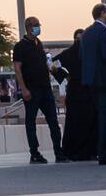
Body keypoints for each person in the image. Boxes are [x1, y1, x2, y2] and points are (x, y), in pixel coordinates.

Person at [12, 16, 66, 164]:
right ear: (29, 27)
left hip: (45, 89)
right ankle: (34, 153)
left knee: (53, 122)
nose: (38, 28)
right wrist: (24, 89)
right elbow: (17, 69)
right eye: (36, 25)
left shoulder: (38, 43)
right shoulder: (20, 46)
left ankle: (58, 152)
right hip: (32, 90)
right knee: (31, 122)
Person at [81, 3, 106, 165]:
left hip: (91, 80)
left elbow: (82, 56)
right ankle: (104, 153)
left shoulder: (87, 32)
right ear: (102, 13)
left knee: (99, 115)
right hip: (104, 80)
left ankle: (101, 151)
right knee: (105, 117)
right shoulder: (104, 31)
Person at [55, 28, 96, 161]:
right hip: (84, 91)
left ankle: (75, 151)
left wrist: (66, 76)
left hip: (77, 91)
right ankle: (86, 151)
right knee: (84, 122)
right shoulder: (87, 53)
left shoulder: (68, 53)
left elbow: (52, 64)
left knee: (76, 122)